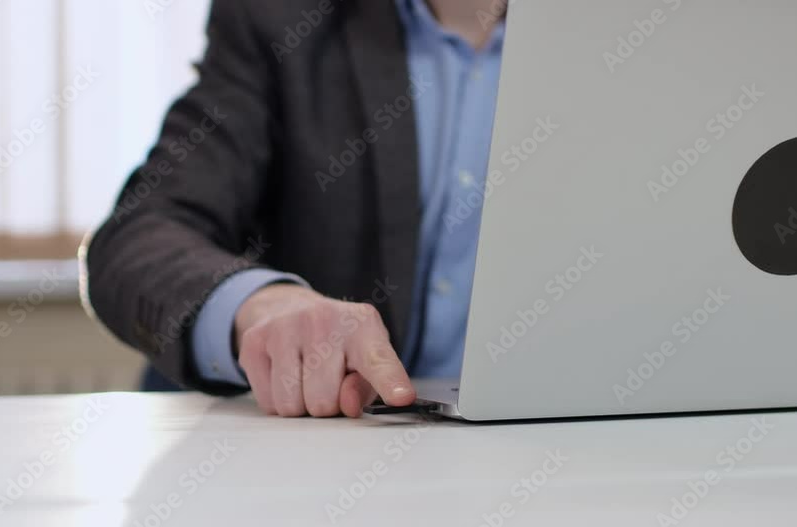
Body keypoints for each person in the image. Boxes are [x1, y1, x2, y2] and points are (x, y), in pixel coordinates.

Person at [85, 0, 506, 417]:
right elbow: (139, 233)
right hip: (300, 433)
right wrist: (262, 304)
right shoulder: (279, 18)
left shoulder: (550, 51)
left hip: (510, 439)